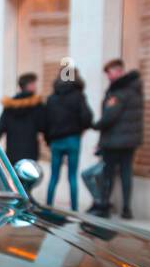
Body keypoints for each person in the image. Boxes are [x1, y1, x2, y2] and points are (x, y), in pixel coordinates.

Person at [90, 59, 144, 219]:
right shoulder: (135, 89)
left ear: (118, 71)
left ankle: (104, 206)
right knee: (126, 173)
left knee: (109, 174)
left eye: (109, 72)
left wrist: (95, 126)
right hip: (130, 141)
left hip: (114, 141)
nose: (108, 77)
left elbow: (109, 117)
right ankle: (126, 209)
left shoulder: (118, 92)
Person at [42, 68, 94, 208]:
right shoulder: (78, 96)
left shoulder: (52, 98)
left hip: (56, 141)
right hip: (72, 139)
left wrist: (48, 139)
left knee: (54, 176)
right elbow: (87, 117)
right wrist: (81, 129)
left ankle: (48, 206)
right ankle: (74, 209)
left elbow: (45, 122)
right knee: (72, 176)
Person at [0, 73, 46, 165]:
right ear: (29, 85)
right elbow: (43, 125)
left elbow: (0, 128)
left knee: (13, 178)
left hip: (12, 151)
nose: (35, 87)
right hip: (30, 150)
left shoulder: (10, 105)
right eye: (34, 84)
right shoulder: (37, 105)